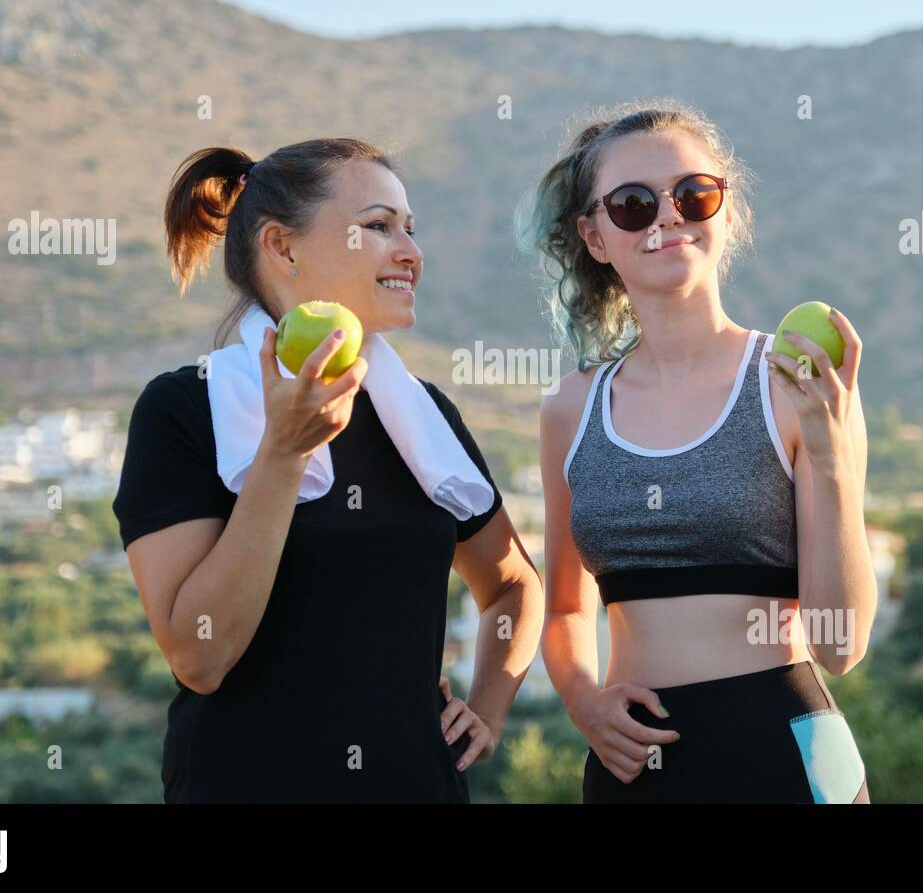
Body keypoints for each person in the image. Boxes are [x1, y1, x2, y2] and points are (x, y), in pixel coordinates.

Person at [113, 139, 543, 802]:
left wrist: (486, 709)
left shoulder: (425, 417)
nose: (411, 251)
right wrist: (282, 456)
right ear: (282, 248)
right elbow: (199, 655)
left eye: (409, 228)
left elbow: (515, 584)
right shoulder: (184, 410)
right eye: (378, 227)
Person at [519, 99, 875, 802]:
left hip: (788, 749)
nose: (668, 218)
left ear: (727, 212)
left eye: (694, 195)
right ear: (594, 236)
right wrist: (582, 699)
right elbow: (563, 607)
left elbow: (842, 646)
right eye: (632, 204)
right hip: (632, 764)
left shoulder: (798, 383)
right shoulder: (570, 408)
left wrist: (832, 458)